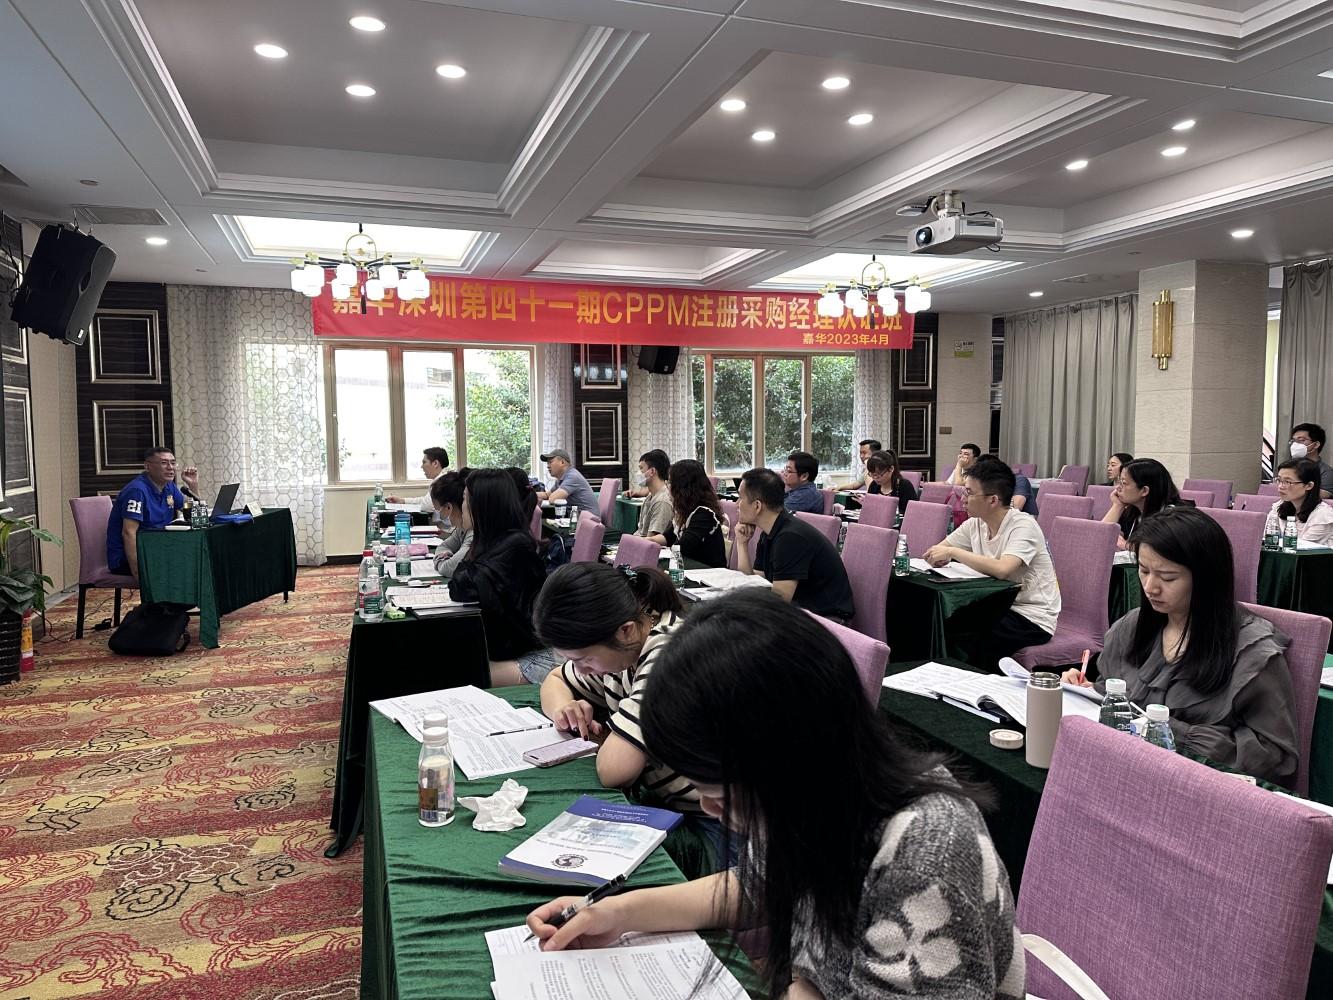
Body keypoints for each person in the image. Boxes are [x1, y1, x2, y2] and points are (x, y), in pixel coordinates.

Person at [526, 591, 1025, 1000]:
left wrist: (800, 990)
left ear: (789, 756)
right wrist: (617, 913)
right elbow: (756, 885)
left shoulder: (925, 848)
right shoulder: (814, 799)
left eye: (720, 795)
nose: (709, 809)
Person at [1064, 506, 1298, 785]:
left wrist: (1174, 732)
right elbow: (1116, 691)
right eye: (1143, 571)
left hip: (1199, 786)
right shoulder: (1132, 627)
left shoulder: (1251, 653)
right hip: (1126, 770)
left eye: (1168, 577)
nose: (1150, 587)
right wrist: (1090, 690)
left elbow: (1276, 757)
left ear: (1206, 578)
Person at [533, 563, 724, 854]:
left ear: (625, 631)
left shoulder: (670, 656)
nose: (582, 671)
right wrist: (565, 709)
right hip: (676, 801)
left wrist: (607, 736)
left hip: (718, 819)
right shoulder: (625, 643)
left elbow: (615, 771)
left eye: (585, 660)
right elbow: (556, 679)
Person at [923, 457, 1058, 669]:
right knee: (940, 623)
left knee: (975, 640)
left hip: (1030, 616)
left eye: (969, 492)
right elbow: (938, 550)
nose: (963, 498)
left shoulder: (1023, 525)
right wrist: (940, 555)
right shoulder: (976, 523)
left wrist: (953, 552)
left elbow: (1003, 569)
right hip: (994, 606)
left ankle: (977, 685)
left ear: (993, 500)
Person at [447, 469, 556, 686]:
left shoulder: (515, 545)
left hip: (534, 658)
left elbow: (462, 586)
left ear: (482, 505)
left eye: (465, 499)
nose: (462, 505)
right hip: (509, 650)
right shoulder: (494, 541)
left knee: (449, 677)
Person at [736, 468, 853, 621]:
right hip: (800, 611)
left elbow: (779, 603)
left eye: (740, 498)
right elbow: (752, 582)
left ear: (757, 506)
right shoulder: (770, 531)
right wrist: (742, 543)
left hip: (827, 620)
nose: (737, 504)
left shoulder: (790, 537)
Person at [107, 447, 200, 579]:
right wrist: (138, 572)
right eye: (164, 463)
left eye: (173, 463)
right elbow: (128, 533)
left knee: (197, 558)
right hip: (128, 558)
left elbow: (191, 511)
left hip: (158, 549)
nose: (170, 467)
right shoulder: (137, 491)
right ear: (147, 466)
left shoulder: (169, 486)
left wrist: (193, 486)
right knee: (186, 565)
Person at [647, 459, 726, 568]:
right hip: (691, 569)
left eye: (670, 482)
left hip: (708, 572)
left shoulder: (704, 514)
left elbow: (682, 548)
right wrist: (644, 541)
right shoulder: (685, 511)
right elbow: (667, 537)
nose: (667, 486)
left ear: (681, 487)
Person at [1102, 457, 1187, 550]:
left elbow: (1162, 552)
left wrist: (1126, 545)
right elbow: (1099, 537)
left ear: (1144, 491)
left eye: (1124, 483)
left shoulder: (1173, 518)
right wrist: (1117, 506)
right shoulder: (1133, 511)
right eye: (1119, 482)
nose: (1118, 488)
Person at [1271, 458, 1333, 545]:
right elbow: (1267, 538)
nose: (1280, 486)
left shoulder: (1323, 516)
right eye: (1279, 480)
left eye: (1287, 482)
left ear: (1309, 485)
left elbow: (1301, 547)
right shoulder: (1278, 506)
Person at [429, 470, 472, 579]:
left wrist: (440, 560)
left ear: (449, 507)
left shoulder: (474, 532)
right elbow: (444, 546)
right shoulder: (461, 528)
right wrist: (445, 557)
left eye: (438, 509)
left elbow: (449, 568)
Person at [535, 448, 599, 517]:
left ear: (562, 462)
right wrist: (529, 494)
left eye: (550, 462)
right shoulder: (561, 478)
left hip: (589, 521)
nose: (548, 466)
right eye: (547, 463)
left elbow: (553, 499)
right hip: (576, 517)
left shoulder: (572, 476)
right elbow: (547, 495)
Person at [386, 446, 450, 512]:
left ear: (435, 463)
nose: (422, 466)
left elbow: (427, 507)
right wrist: (402, 501)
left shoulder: (444, 483)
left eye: (424, 462)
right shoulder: (441, 479)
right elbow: (426, 501)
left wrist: (401, 507)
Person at [629, 450, 674, 537]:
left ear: (652, 471)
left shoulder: (662, 501)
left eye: (641, 468)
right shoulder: (650, 497)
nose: (638, 473)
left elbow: (652, 538)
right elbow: (640, 531)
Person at [1288, 424, 1333, 498]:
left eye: (1301, 440)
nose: (1295, 444)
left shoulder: (1325, 471)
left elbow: (1324, 495)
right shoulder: (1288, 467)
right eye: (1293, 441)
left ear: (1316, 445)